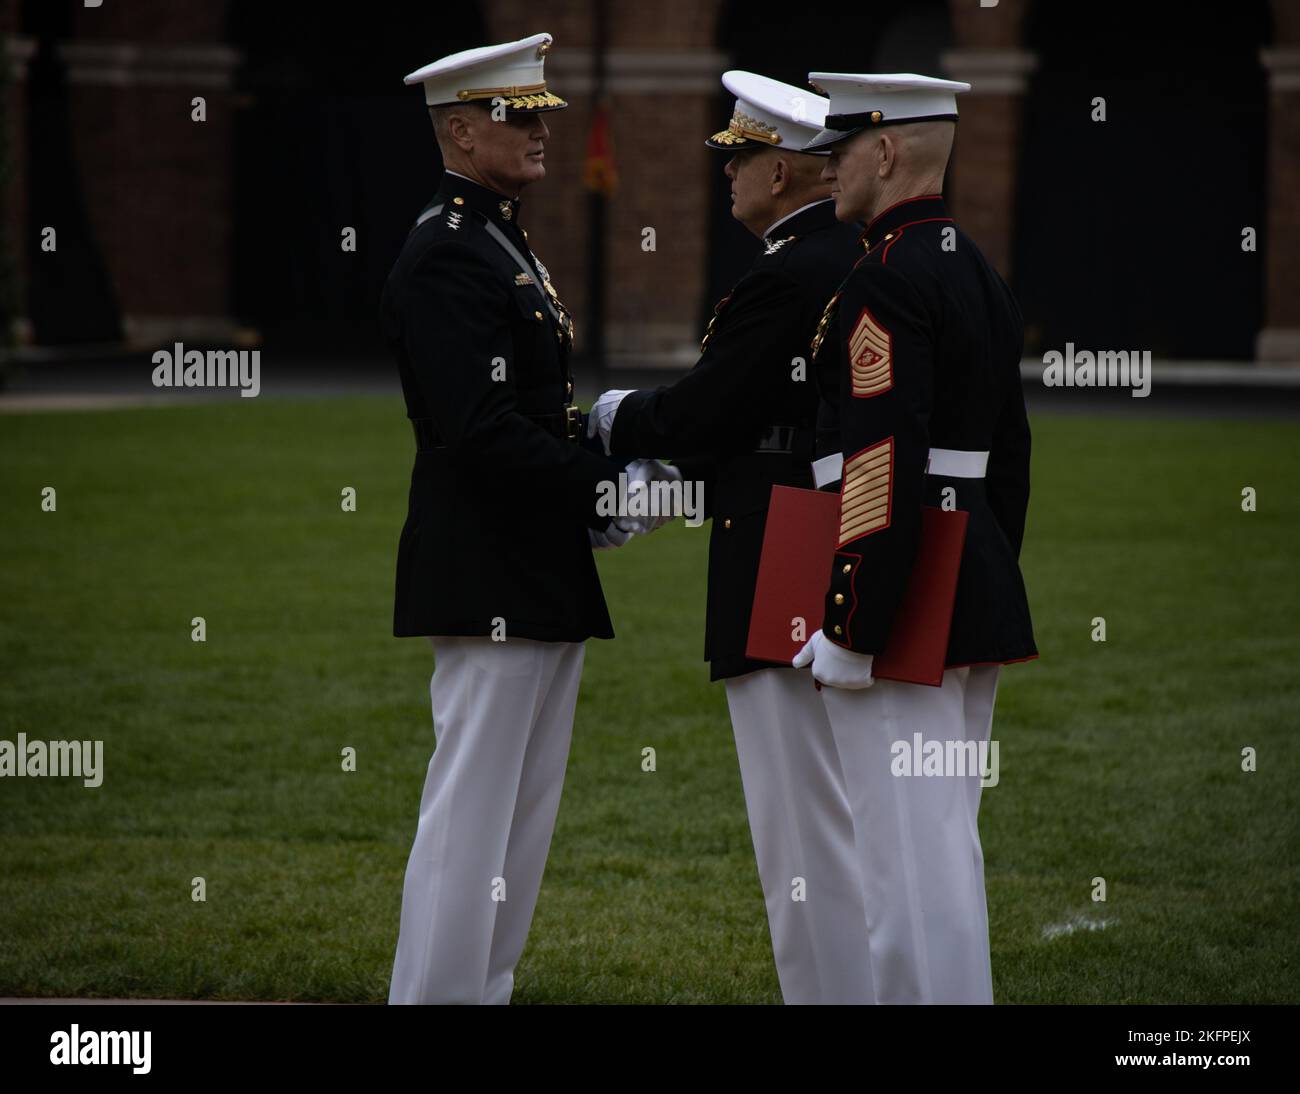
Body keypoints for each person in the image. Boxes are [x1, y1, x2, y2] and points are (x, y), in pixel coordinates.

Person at [587, 72, 874, 1003]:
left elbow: (712, 413)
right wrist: (658, 494)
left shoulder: (787, 272)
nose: (728, 175)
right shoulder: (855, 255)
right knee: (843, 808)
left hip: (781, 547)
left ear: (787, 171)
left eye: (739, 158)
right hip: (839, 528)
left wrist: (615, 417)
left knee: (799, 820)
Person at [381, 32, 653, 1005]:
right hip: (486, 563)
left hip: (529, 564)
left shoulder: (495, 236)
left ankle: (481, 990)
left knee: (520, 820)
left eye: (541, 111)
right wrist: (598, 486)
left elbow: (527, 415)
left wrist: (599, 465)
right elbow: (476, 430)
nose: (541, 129)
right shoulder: (448, 251)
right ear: (459, 129)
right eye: (516, 114)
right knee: (472, 816)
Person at [793, 72, 1038, 1004]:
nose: (829, 172)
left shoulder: (885, 277)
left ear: (886, 151)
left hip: (901, 593)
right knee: (941, 843)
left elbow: (878, 461)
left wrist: (852, 620)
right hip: (965, 569)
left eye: (841, 151)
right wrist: (986, 559)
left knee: (900, 863)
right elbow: (1009, 456)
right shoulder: (976, 267)